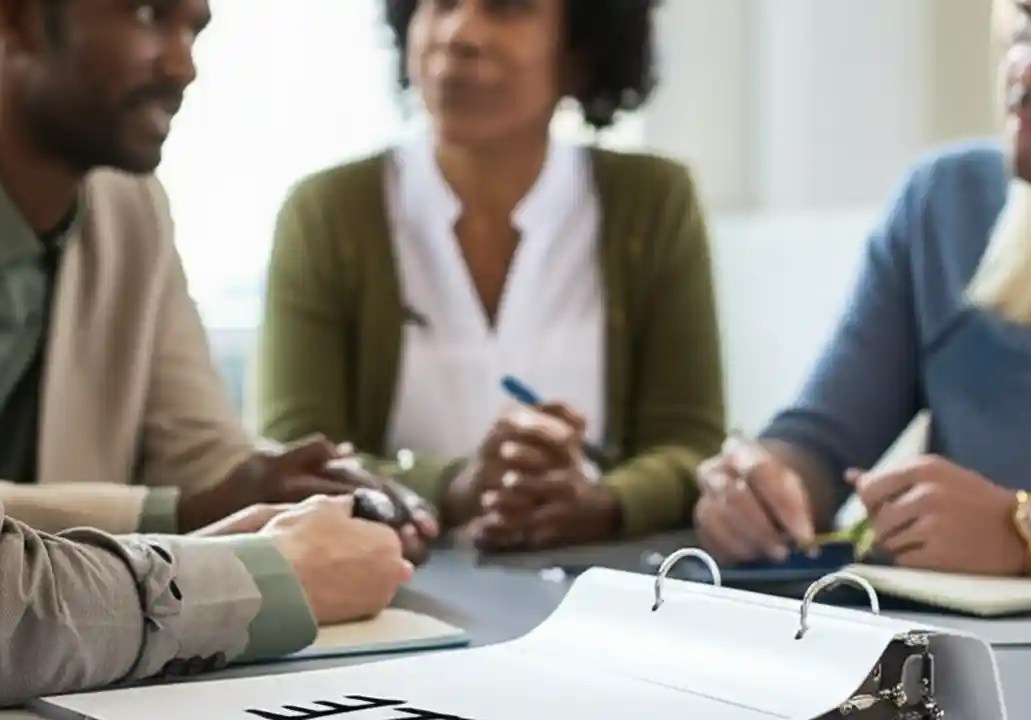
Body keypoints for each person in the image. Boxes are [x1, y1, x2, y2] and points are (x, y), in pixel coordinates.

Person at [0, 1, 412, 719]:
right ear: (17, 18)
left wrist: (233, 514)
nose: (183, 64)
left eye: (195, 28)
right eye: (149, 15)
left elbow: (201, 462)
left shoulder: (131, 205)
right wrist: (266, 574)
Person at [258, 0, 726, 551]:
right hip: (390, 589)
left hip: (596, 589)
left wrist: (601, 501)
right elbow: (293, 455)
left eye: (507, 8)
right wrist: (456, 487)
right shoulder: (327, 211)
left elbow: (692, 445)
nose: (459, 33)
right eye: (441, 4)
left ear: (579, 50)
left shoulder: (653, 203)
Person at [695, 0, 1031, 578]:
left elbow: (1021, 535)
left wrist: (1027, 535)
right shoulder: (943, 205)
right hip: (965, 660)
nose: (1030, 74)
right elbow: (821, 442)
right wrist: (762, 488)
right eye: (1025, 26)